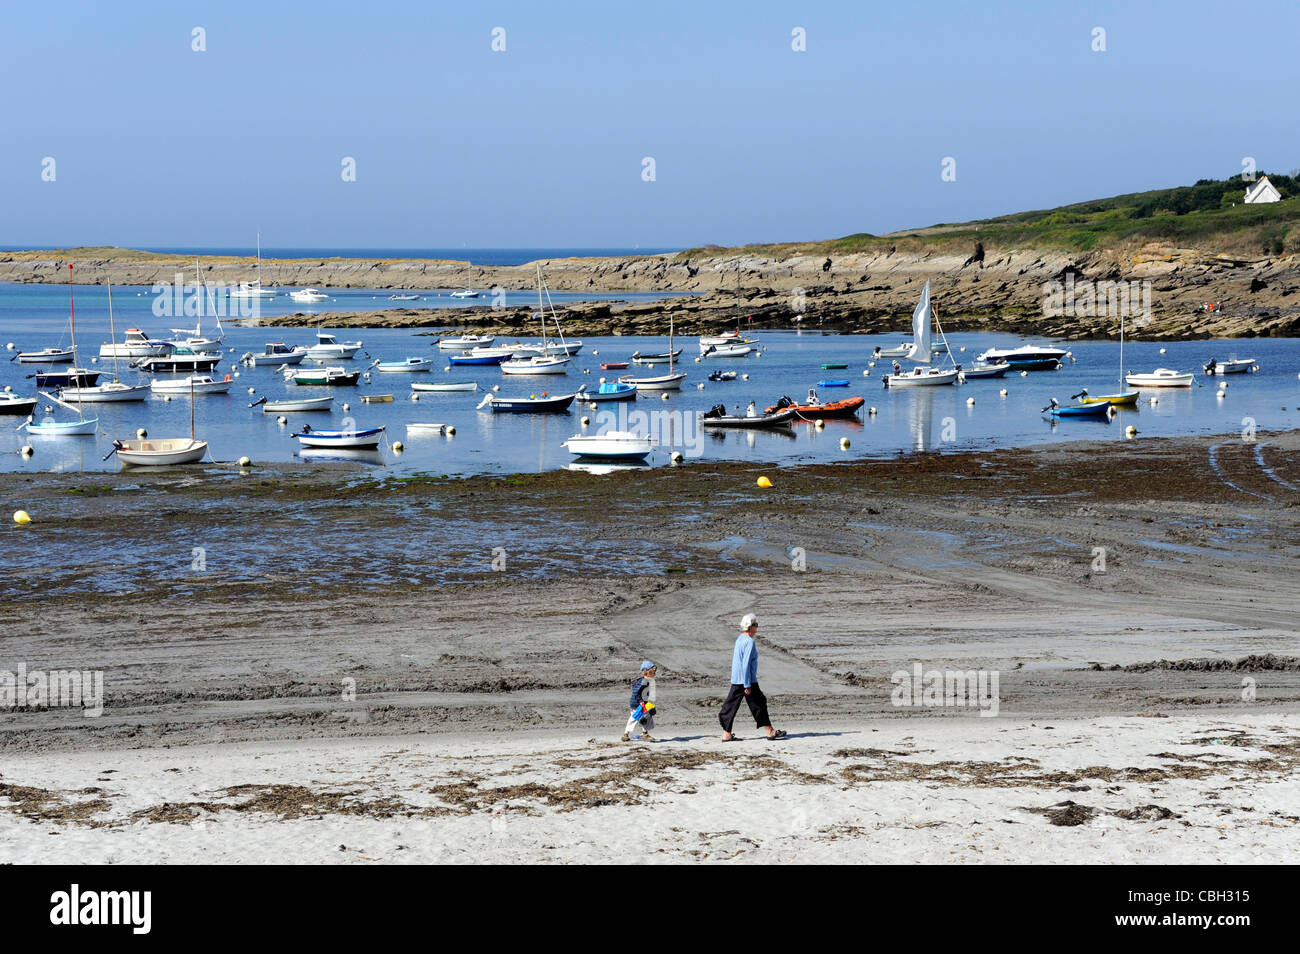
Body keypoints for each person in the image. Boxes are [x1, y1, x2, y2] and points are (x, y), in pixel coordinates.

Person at [719, 614, 786, 741]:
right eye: (756, 625)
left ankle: (727, 734)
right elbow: (745, 663)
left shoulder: (740, 638)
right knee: (759, 703)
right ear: (750, 627)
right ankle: (770, 731)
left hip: (737, 678)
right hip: (747, 680)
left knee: (732, 705)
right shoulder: (749, 642)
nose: (757, 628)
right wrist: (747, 684)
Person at [621, 661, 657, 742]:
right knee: (639, 717)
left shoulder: (645, 680)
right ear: (648, 672)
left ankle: (627, 734)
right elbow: (636, 692)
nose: (654, 674)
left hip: (639, 703)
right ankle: (642, 734)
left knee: (638, 717)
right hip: (638, 703)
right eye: (653, 672)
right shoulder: (643, 681)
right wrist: (641, 701)